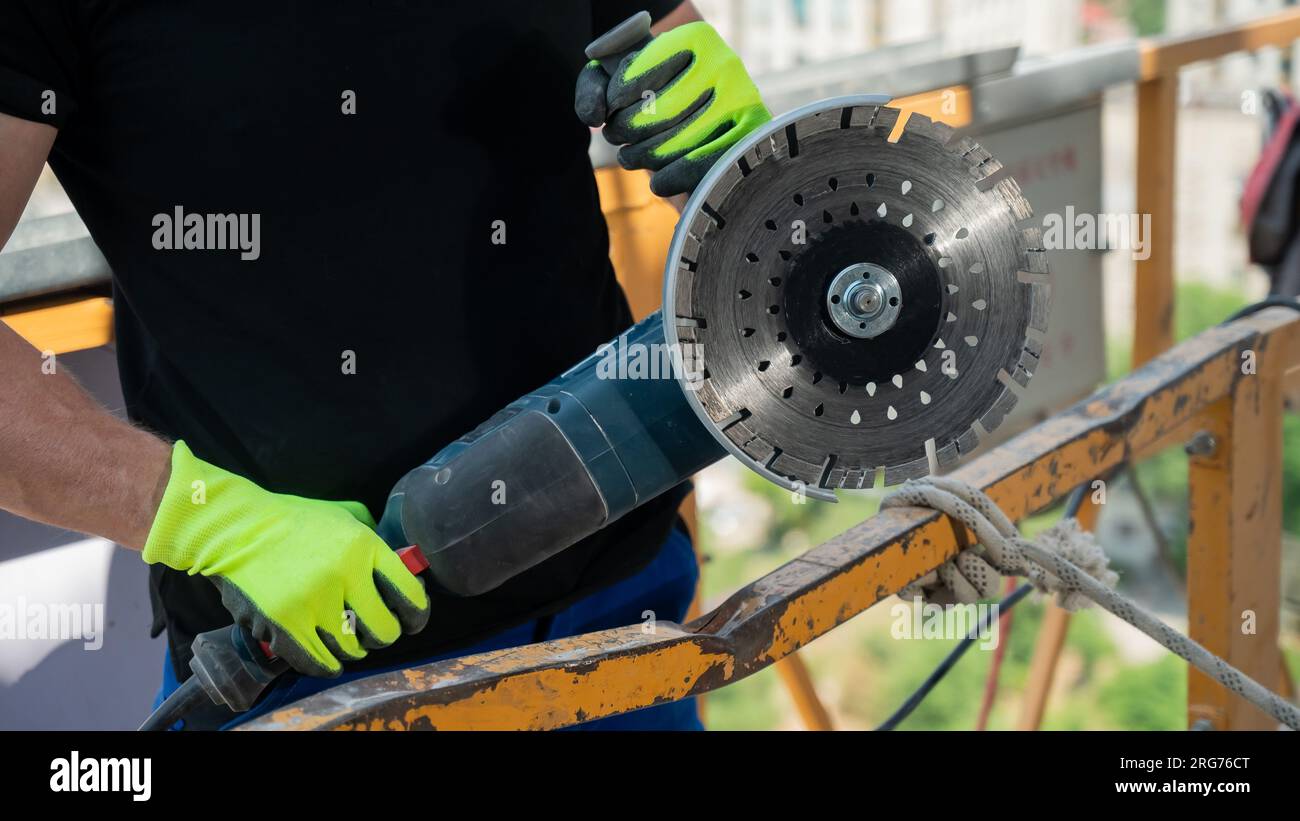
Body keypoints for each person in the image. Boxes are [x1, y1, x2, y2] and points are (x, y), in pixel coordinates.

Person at [0, 1, 769, 729]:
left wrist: (749, 169)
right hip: (314, 668)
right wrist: (212, 524)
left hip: (620, 609)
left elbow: (685, 92)